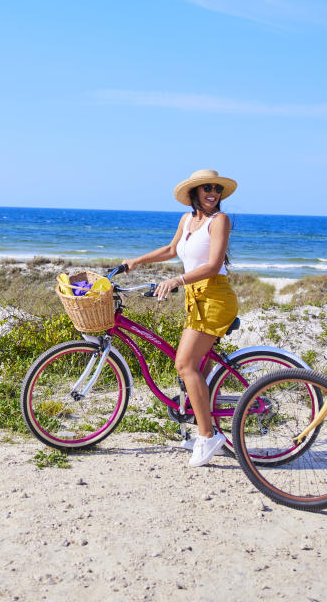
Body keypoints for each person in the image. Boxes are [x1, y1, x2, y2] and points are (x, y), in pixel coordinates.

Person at [121, 169, 240, 468]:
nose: (212, 192)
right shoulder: (188, 220)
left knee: (185, 364)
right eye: (206, 188)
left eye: (216, 188)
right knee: (200, 367)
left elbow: (213, 265)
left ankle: (207, 437)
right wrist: (137, 260)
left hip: (214, 298)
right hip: (196, 299)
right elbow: (172, 249)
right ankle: (209, 428)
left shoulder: (220, 221)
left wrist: (177, 280)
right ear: (194, 193)